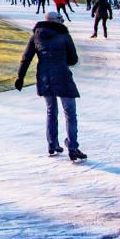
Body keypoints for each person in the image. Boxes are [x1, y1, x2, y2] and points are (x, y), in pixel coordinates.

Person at [14, 12, 86, 161]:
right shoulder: (63, 34)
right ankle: (72, 147)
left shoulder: (36, 35)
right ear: (57, 21)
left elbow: (26, 57)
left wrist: (20, 77)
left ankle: (52, 145)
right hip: (62, 76)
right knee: (70, 113)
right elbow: (73, 59)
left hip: (44, 76)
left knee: (51, 111)